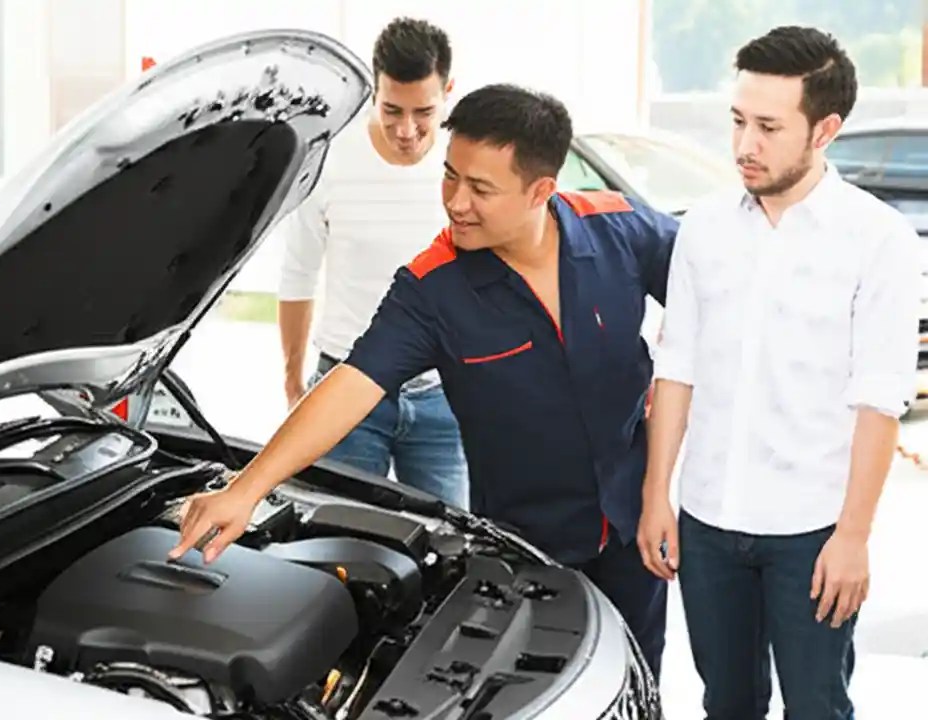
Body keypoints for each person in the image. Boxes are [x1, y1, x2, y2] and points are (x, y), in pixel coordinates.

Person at [173, 82, 680, 679]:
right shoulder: (432, 289)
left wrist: (667, 480)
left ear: (541, 190)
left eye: (481, 188)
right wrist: (246, 488)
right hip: (527, 553)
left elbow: (720, 308)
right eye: (450, 176)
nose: (456, 202)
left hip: (637, 531)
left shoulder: (622, 228)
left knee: (638, 681)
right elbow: (351, 384)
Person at [638, 26, 920, 720]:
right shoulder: (702, 225)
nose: (743, 145)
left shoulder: (878, 239)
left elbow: (879, 402)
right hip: (707, 522)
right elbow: (677, 368)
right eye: (737, 121)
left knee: (817, 709)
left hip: (812, 531)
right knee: (726, 705)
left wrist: (853, 537)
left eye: (768, 127)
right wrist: (656, 497)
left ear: (824, 130)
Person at [276, 17, 468, 508]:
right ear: (374, 91)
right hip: (347, 388)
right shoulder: (329, 160)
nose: (407, 130)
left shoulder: (465, 164)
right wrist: (294, 380)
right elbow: (298, 274)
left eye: (424, 111)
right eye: (392, 110)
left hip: (445, 397)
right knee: (343, 539)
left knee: (447, 544)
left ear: (449, 89)